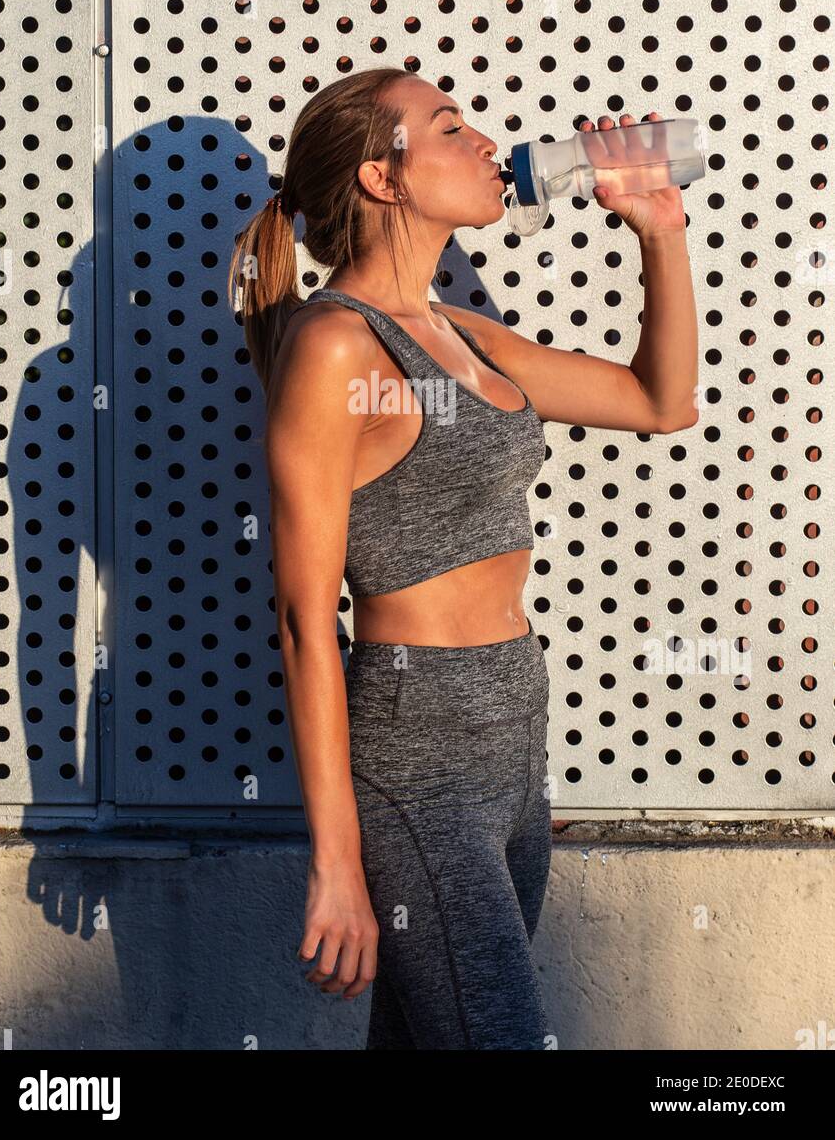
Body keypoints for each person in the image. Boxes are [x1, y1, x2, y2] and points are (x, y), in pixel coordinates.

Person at [228, 66, 699, 1049]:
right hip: (419, 749)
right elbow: (303, 618)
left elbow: (659, 402)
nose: (487, 141)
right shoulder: (336, 349)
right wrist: (338, 863)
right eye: (448, 126)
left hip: (513, 728)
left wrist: (658, 233)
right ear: (381, 177)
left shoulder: (460, 333)